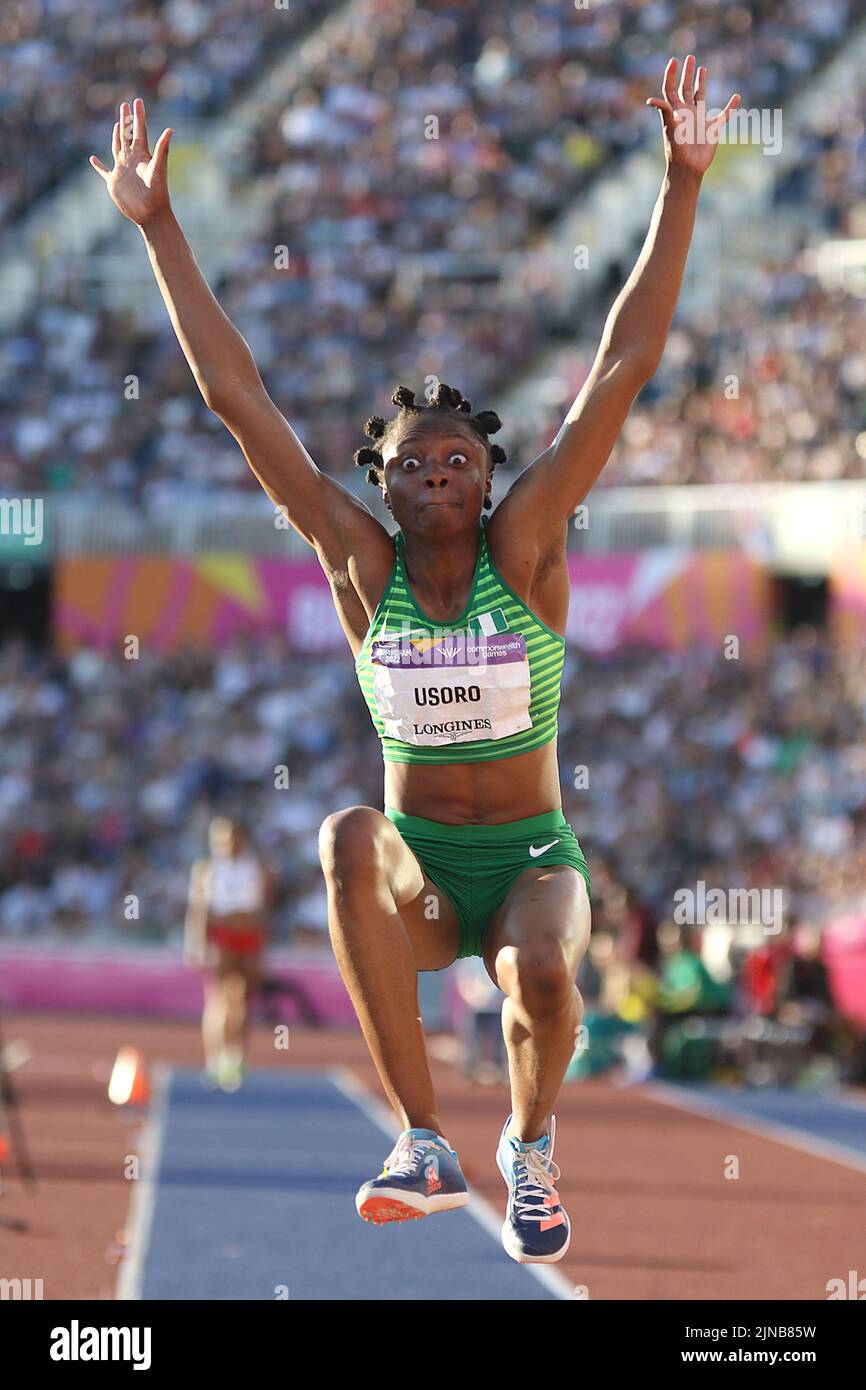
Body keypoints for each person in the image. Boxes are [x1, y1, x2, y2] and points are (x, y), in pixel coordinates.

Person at [90, 56, 739, 1263]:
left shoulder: (528, 546)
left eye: (454, 459)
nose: (433, 472)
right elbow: (240, 402)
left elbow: (617, 371)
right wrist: (161, 225)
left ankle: (530, 1145)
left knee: (542, 974)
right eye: (407, 462)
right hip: (423, 873)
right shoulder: (360, 567)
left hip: (533, 857)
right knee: (342, 833)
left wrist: (680, 183)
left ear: (488, 475)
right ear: (376, 485)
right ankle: (424, 1137)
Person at [184, 816, 273, 1091]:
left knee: (242, 1000)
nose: (226, 844)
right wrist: (196, 942)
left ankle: (236, 1060)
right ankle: (215, 1060)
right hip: (221, 936)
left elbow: (267, 909)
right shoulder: (206, 869)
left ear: (242, 839)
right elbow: (198, 908)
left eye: (232, 837)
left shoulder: (258, 867)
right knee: (218, 999)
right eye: (220, 839)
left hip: (249, 935)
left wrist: (263, 947)